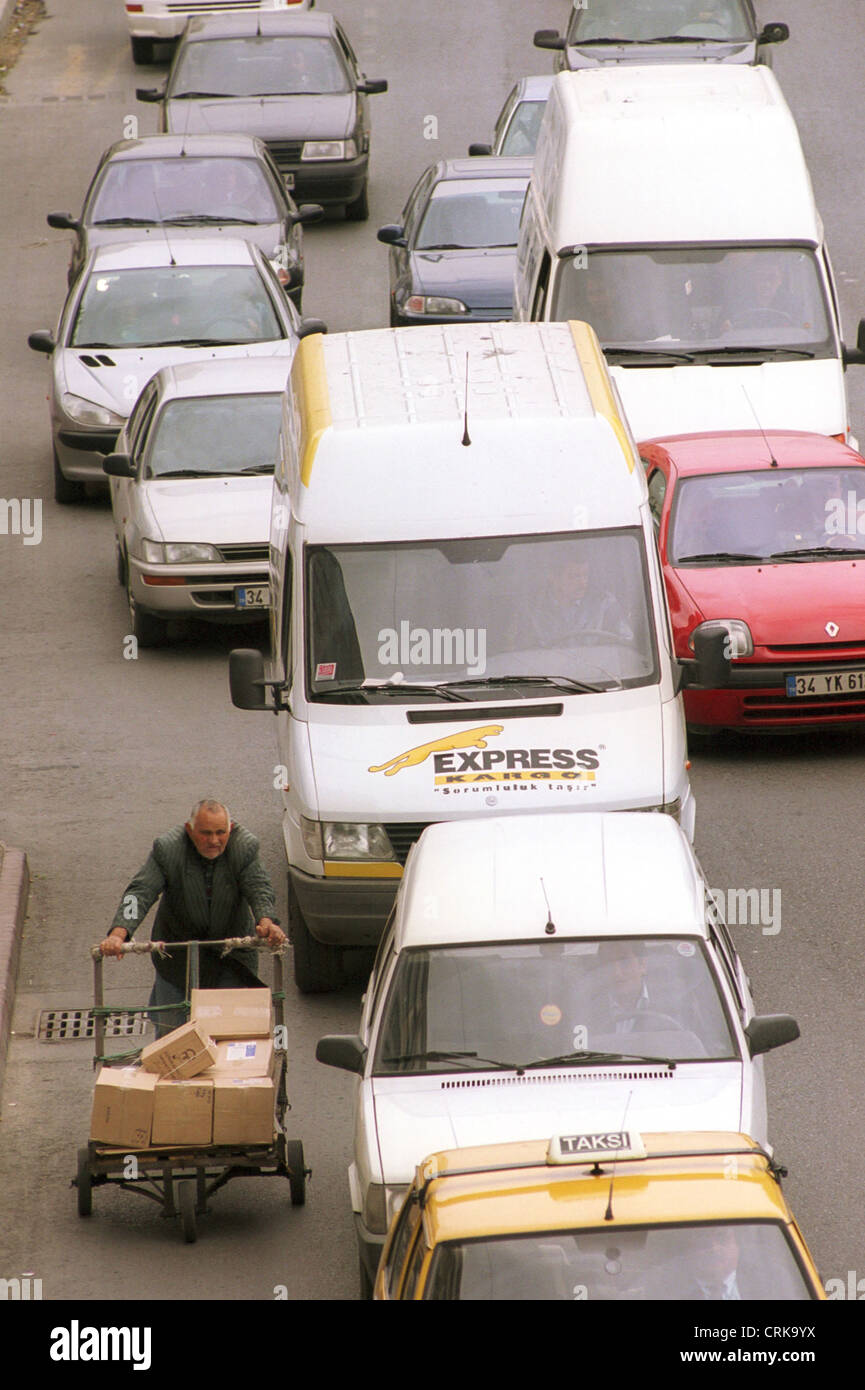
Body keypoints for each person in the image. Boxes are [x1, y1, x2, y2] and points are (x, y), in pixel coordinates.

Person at [100, 799, 285, 1036]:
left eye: (220, 833)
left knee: (232, 1032)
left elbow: (259, 886)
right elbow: (140, 891)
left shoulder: (244, 846)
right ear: (189, 830)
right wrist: (119, 933)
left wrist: (266, 921)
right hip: (177, 957)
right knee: (171, 1033)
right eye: (206, 833)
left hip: (230, 957)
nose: (214, 841)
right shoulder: (168, 849)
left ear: (230, 829)